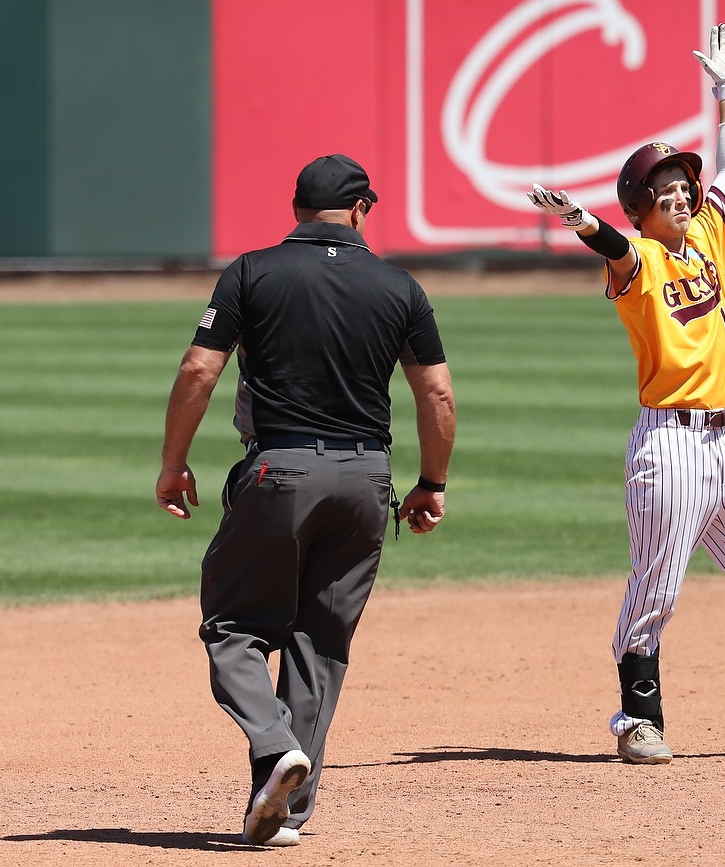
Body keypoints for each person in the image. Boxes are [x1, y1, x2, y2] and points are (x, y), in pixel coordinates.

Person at [527, 24, 725, 765]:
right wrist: (583, 221)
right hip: (669, 442)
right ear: (641, 207)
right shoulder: (637, 260)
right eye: (665, 192)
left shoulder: (710, 235)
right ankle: (638, 719)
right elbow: (611, 245)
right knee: (657, 587)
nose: (680, 198)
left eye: (684, 188)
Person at [156, 153, 456, 844]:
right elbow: (435, 392)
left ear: (296, 210)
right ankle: (285, 809)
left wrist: (174, 462)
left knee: (233, 626)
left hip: (279, 474)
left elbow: (201, 367)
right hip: (367, 481)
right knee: (319, 642)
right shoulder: (399, 285)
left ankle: (271, 745)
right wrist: (432, 484)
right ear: (359, 211)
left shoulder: (252, 271)